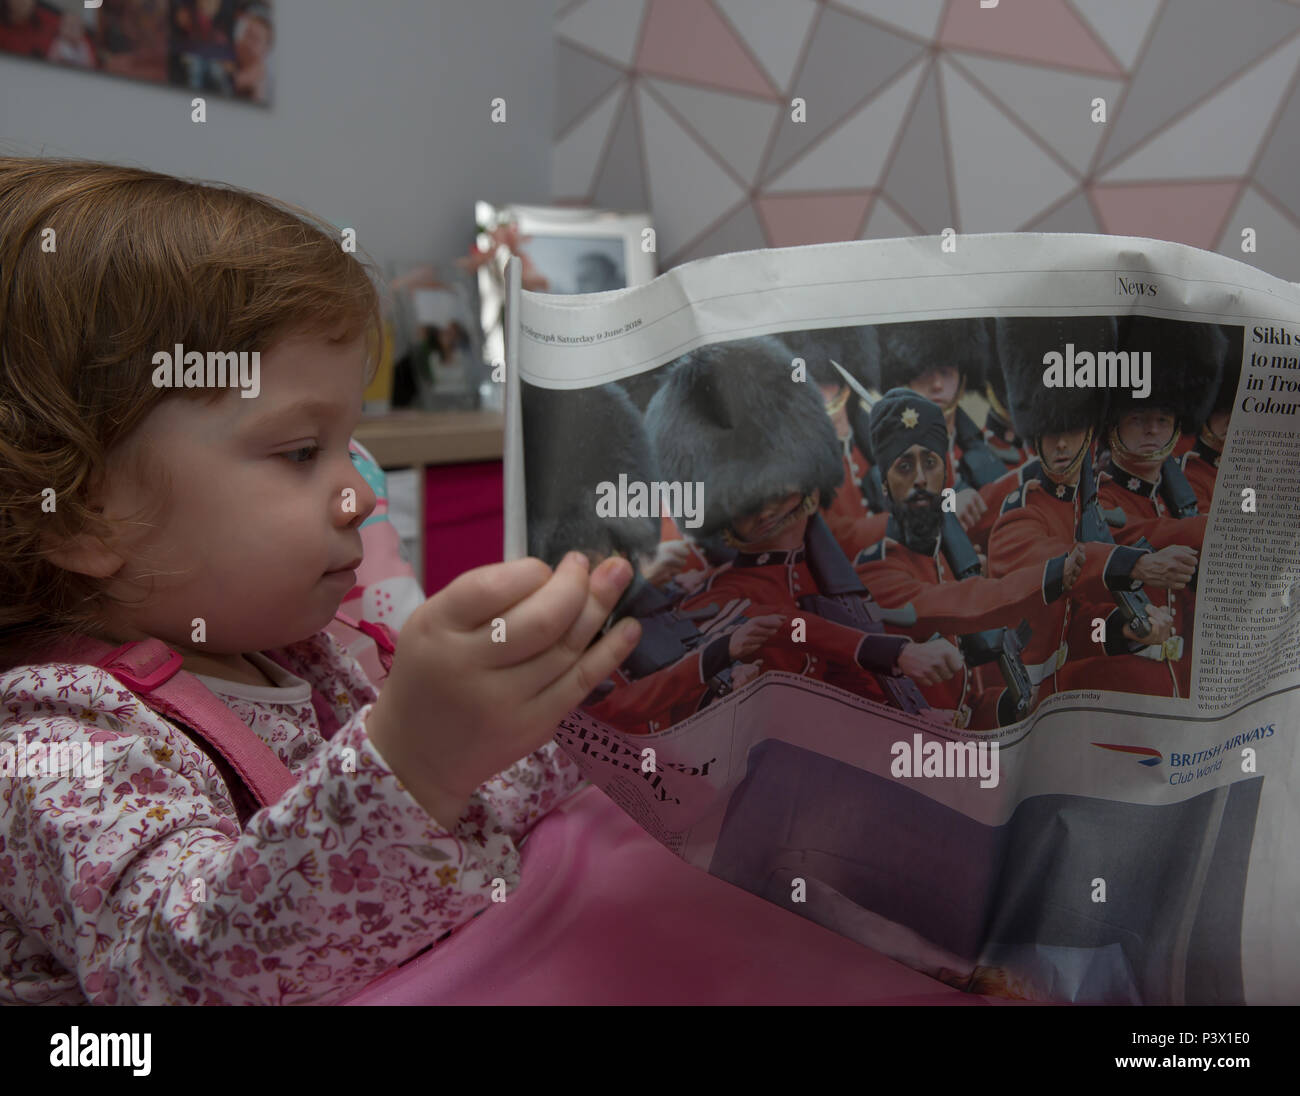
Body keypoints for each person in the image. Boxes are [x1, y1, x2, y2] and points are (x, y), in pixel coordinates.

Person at [0, 158, 642, 1004]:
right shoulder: (57, 743)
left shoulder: (306, 653)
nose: (363, 494)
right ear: (81, 517)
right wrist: (413, 758)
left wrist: (571, 704)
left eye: (353, 444)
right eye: (302, 452)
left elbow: (465, 810)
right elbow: (189, 972)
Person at [643, 337, 962, 713]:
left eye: (779, 496)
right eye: (746, 506)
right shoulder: (729, 598)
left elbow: (846, 674)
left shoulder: (815, 573)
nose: (766, 514)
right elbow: (792, 628)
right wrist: (899, 654)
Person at [854, 388, 1087, 727]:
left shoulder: (948, 559)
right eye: (904, 466)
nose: (919, 478)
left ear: (946, 476)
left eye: (930, 463)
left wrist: (1008, 707)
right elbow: (962, 602)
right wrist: (1048, 576)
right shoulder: (875, 569)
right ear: (885, 485)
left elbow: (970, 701)